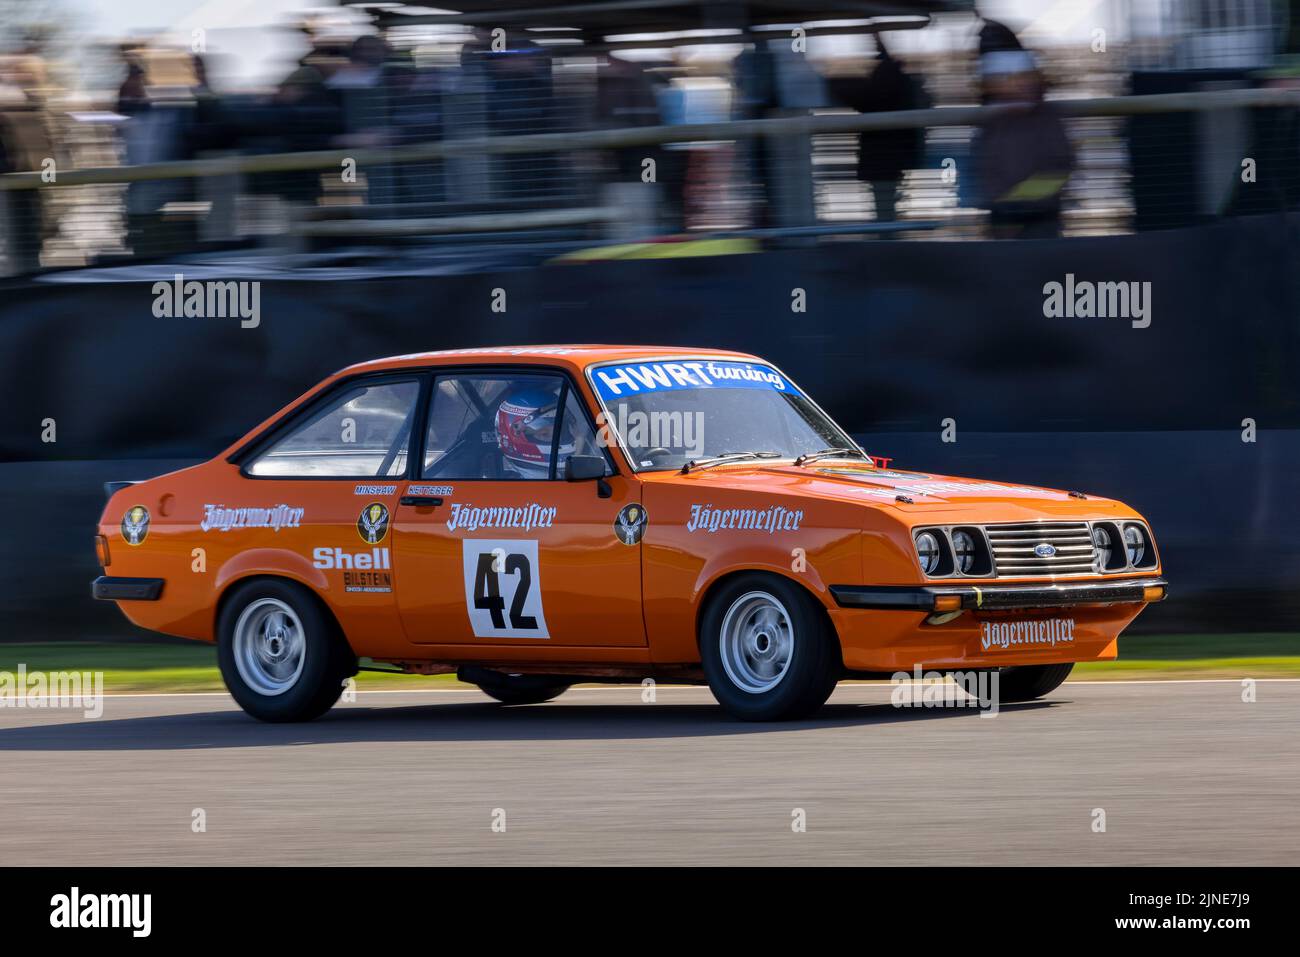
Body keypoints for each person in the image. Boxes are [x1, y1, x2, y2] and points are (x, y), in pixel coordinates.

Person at [969, 25, 1074, 239]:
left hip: (1031, 215)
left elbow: (1060, 164)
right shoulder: (996, 121)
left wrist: (1013, 206)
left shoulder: (993, 122)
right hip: (1026, 215)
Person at [829, 34, 928, 226]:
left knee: (883, 204)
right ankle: (889, 234)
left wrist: (836, 85)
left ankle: (886, 235)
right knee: (889, 202)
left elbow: (864, 99)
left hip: (881, 156)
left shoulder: (884, 78)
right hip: (896, 155)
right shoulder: (901, 80)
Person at [496, 388, 566, 480]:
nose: (558, 439)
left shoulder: (558, 476)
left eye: (561, 431)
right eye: (545, 434)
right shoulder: (514, 489)